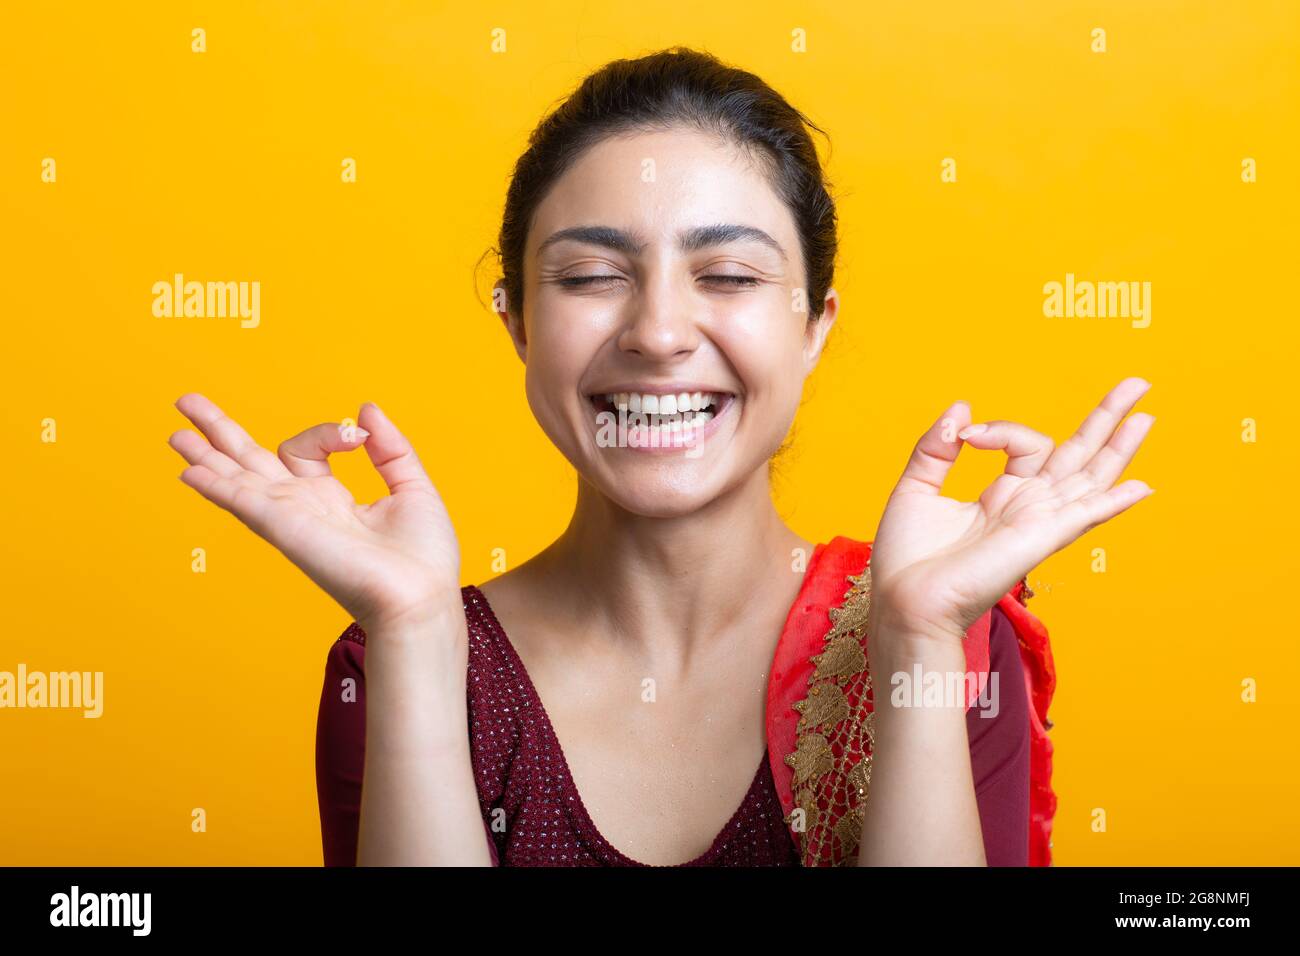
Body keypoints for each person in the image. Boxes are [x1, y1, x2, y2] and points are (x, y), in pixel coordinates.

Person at [167, 47, 1155, 866]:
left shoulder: (941, 636)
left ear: (813, 326)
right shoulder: (400, 659)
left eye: (726, 273)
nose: (658, 331)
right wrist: (414, 630)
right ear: (516, 321)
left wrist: (924, 636)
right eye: (593, 275)